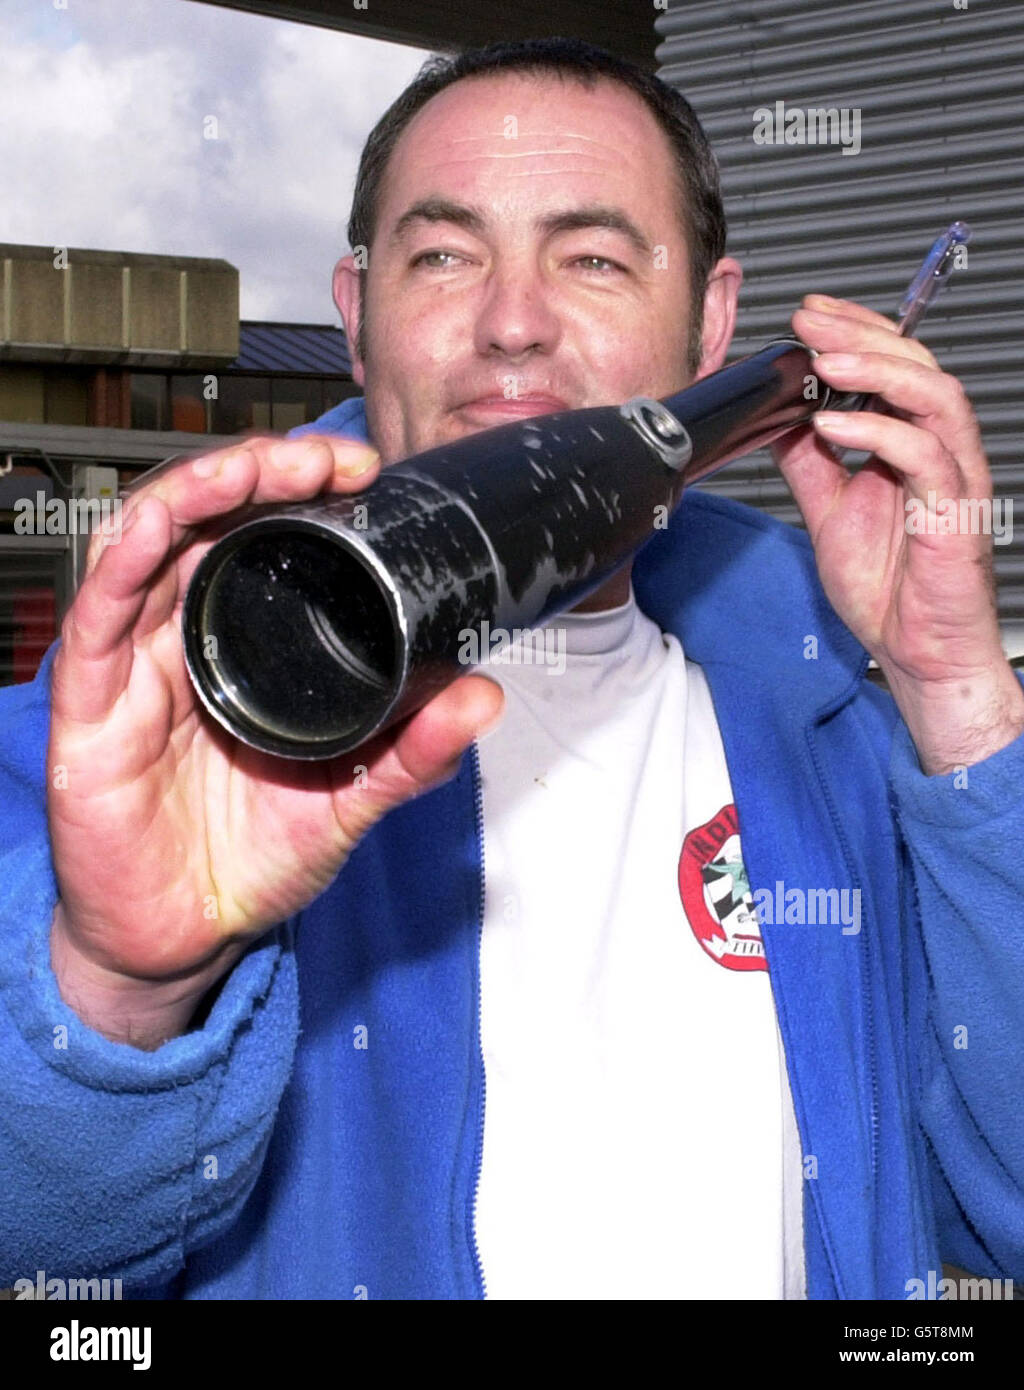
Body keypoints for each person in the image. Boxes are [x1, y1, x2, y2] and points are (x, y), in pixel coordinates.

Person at [2, 38, 1023, 1301]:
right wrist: (120, 993)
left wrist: (956, 700)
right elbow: (37, 1251)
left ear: (709, 324)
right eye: (442, 255)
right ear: (355, 314)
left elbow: (1003, 1211)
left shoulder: (840, 729)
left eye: (591, 257)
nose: (511, 323)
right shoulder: (129, 732)